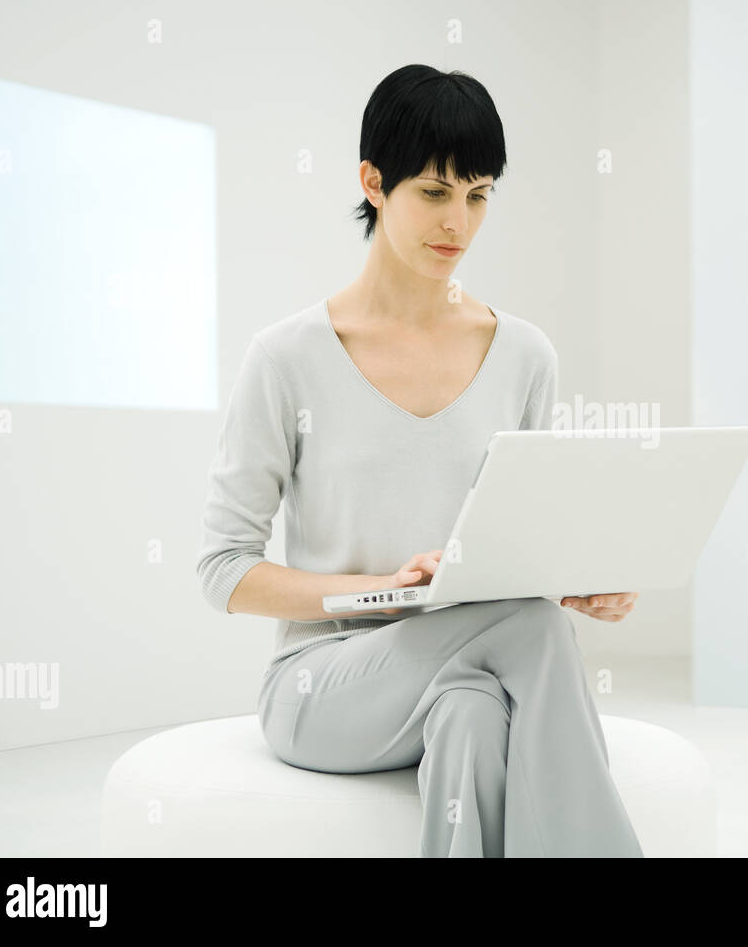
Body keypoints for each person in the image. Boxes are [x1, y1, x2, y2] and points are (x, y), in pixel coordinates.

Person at [196, 64, 642, 857]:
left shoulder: (525, 355)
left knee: (472, 716)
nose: (459, 223)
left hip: (467, 666)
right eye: (435, 193)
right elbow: (223, 570)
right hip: (322, 685)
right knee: (532, 627)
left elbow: (519, 547)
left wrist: (578, 582)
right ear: (373, 181)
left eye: (479, 195)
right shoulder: (286, 358)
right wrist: (383, 591)